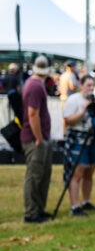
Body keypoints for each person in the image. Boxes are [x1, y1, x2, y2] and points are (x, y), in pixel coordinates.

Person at [62, 75, 95, 216]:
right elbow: (68, 121)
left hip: (93, 139)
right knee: (78, 172)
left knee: (90, 171)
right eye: (88, 85)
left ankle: (86, 201)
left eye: (93, 85)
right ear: (81, 85)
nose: (91, 88)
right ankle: (74, 206)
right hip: (78, 139)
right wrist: (83, 110)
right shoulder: (73, 100)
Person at [20, 55, 53, 223]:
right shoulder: (35, 86)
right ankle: (31, 213)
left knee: (42, 175)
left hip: (38, 137)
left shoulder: (36, 84)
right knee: (34, 176)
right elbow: (32, 114)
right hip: (35, 139)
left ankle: (39, 209)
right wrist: (39, 138)